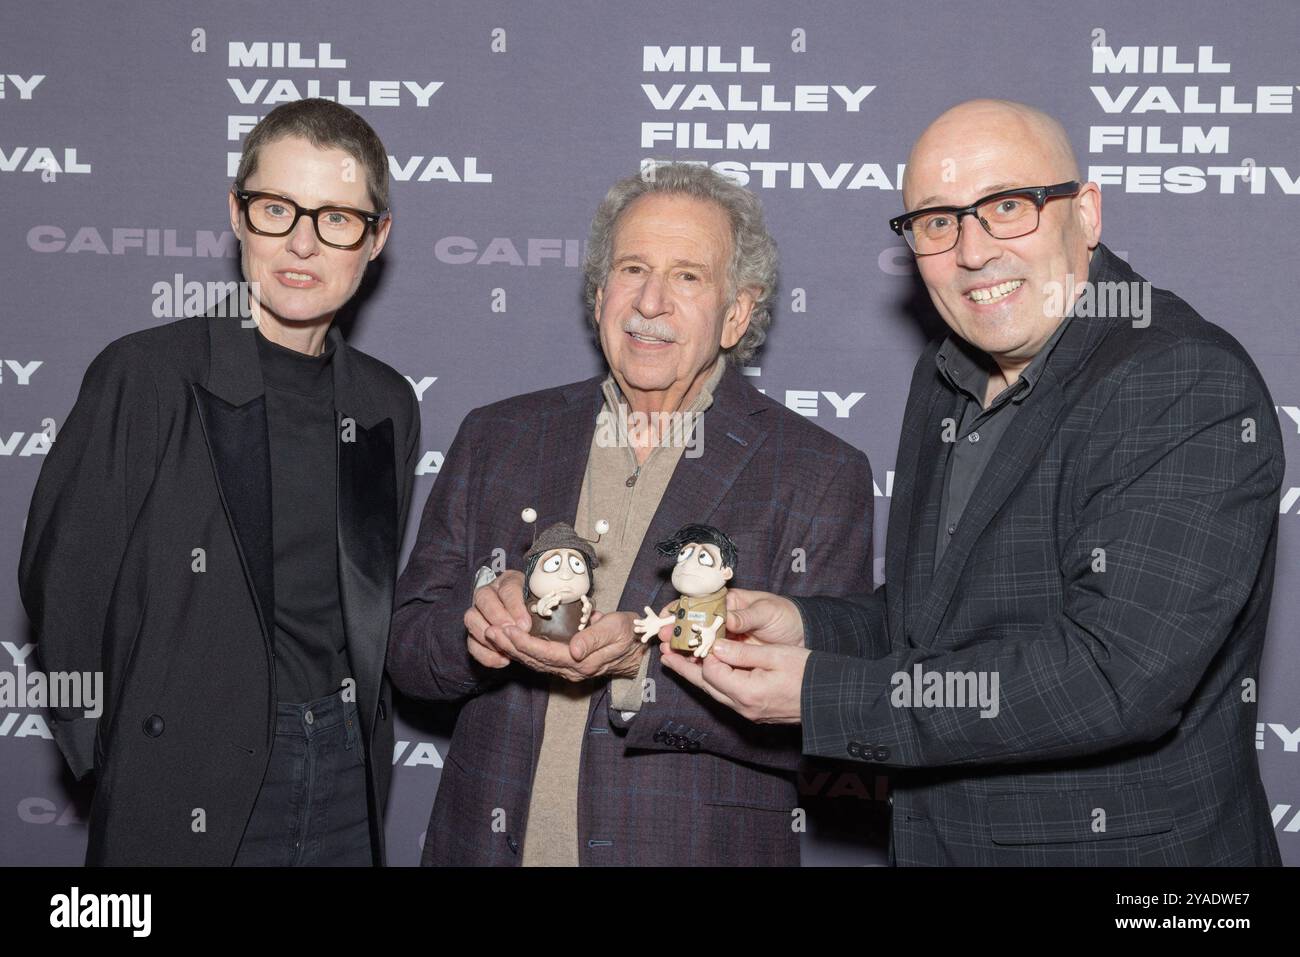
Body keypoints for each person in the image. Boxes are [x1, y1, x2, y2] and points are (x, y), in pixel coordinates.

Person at [662, 99, 1285, 866]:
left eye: (1008, 206)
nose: (973, 250)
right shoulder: (946, 372)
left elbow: (1115, 675)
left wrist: (823, 694)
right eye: (937, 221)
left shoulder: (1180, 380)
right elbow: (942, 622)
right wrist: (809, 628)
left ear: (1086, 212)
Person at [388, 162, 874, 866]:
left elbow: (824, 714)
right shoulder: (499, 435)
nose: (651, 302)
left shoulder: (816, 472)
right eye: (633, 269)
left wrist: (640, 671)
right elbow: (407, 649)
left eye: (687, 277)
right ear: (599, 295)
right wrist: (477, 633)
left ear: (736, 314)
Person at [19, 98, 420, 866]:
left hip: (346, 776)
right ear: (237, 215)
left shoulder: (386, 402)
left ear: (376, 239)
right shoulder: (147, 375)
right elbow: (64, 578)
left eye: (337, 218)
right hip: (186, 770)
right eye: (276, 208)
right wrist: (115, 753)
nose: (301, 241)